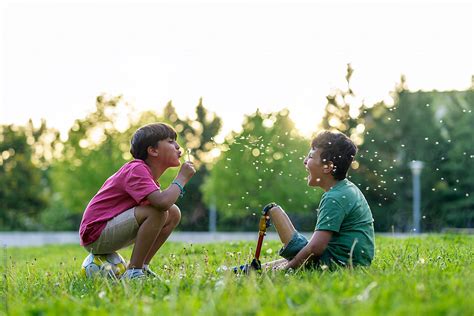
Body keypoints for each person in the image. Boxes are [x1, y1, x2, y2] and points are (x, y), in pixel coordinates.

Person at [238, 130, 375, 272]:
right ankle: (251, 270)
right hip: (352, 262)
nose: (304, 161)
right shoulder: (347, 189)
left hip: (338, 265)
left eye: (310, 156)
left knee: (295, 246)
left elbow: (315, 248)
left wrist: (287, 270)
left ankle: (260, 270)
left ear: (327, 167)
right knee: (294, 255)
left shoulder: (334, 198)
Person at [79, 123, 195, 279]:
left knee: (173, 212)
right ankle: (134, 271)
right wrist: (181, 178)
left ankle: (142, 267)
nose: (178, 146)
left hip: (108, 231)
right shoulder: (136, 170)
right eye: (170, 141)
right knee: (158, 211)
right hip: (96, 234)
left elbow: (166, 204)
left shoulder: (147, 177)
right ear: (153, 150)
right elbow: (162, 203)